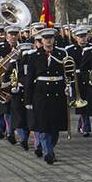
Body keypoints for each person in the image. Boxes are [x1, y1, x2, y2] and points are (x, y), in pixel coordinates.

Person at [26, 28, 69, 165]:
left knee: (55, 128)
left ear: (54, 39)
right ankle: (48, 152)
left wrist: (69, 88)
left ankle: (49, 147)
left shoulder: (62, 54)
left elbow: (69, 74)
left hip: (57, 94)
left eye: (50, 38)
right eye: (45, 38)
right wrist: (28, 99)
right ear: (41, 40)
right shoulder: (34, 56)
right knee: (43, 126)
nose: (48, 40)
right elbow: (29, 79)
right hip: (41, 95)